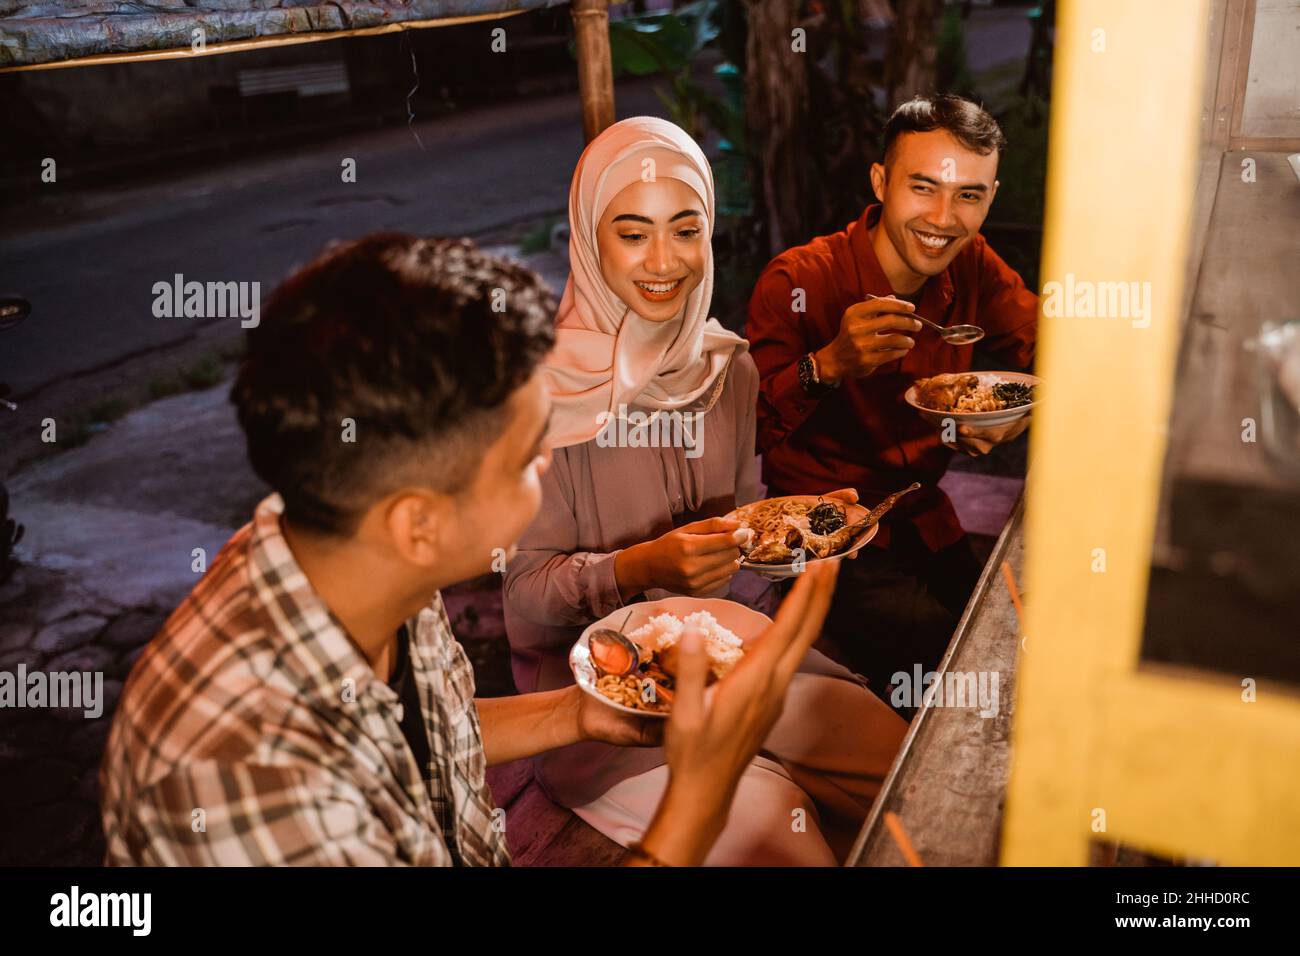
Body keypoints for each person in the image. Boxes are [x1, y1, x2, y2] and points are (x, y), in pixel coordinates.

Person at [98, 232, 844, 867]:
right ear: (418, 521)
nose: (548, 465)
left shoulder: (348, 546)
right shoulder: (256, 781)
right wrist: (696, 802)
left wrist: (578, 716)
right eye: (526, 457)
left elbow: (418, 728)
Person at [503, 117, 907, 865]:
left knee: (907, 773)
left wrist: (805, 536)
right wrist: (637, 570)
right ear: (589, 242)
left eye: (685, 231)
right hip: (606, 707)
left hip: (736, 658)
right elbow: (522, 597)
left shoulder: (730, 370)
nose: (665, 261)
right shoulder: (540, 394)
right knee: (779, 828)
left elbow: (745, 553)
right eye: (632, 233)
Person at [746, 95, 1039, 714]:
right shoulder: (799, 281)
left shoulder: (974, 265)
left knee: (1014, 634)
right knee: (959, 682)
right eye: (924, 187)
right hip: (828, 540)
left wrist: (1019, 413)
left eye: (970, 195)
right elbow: (745, 432)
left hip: (923, 515)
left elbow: (1048, 347)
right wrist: (825, 366)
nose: (944, 218)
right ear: (880, 181)